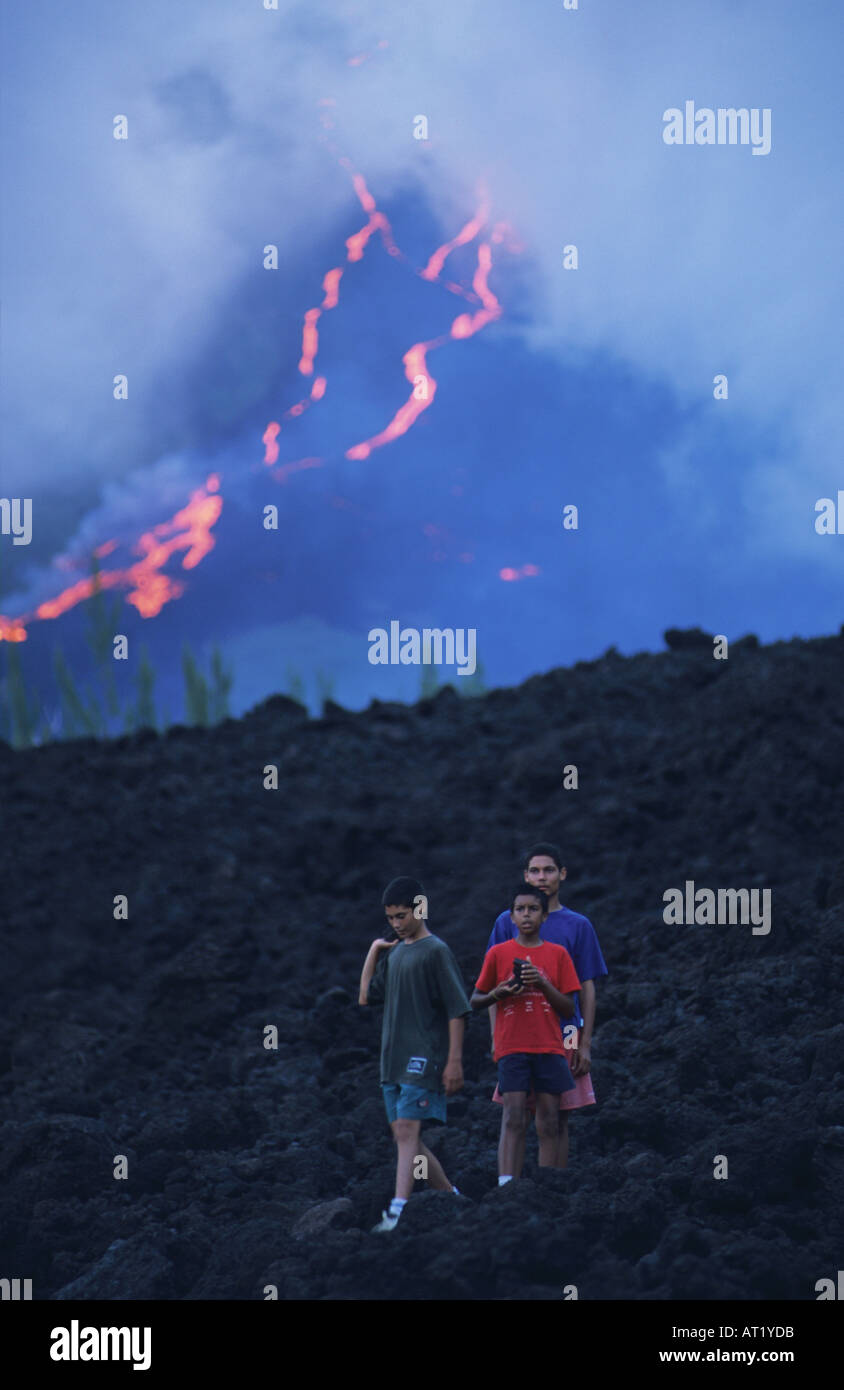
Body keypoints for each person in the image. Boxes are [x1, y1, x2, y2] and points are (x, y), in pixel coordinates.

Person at [359, 876, 471, 1232]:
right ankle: (453, 1199)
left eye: (402, 916)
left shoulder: (436, 951)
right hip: (391, 1060)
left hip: (423, 1056)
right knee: (408, 1138)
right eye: (391, 918)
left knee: (407, 1129)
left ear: (420, 908)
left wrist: (454, 1061)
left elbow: (458, 1009)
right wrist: (374, 952)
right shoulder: (396, 955)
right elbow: (365, 997)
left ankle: (398, 1210)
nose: (396, 924)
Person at [487, 842, 608, 1168]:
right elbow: (492, 985)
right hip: (518, 1030)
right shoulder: (506, 922)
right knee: (514, 1115)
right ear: (525, 875)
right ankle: (508, 1191)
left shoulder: (578, 926)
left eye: (549, 870)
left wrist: (585, 1044)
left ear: (562, 875)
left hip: (564, 1031)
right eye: (535, 871)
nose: (542, 877)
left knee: (557, 1117)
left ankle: (552, 1189)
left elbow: (587, 987)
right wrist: (496, 1037)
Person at [472, 885, 580, 1182]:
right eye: (520, 909)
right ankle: (507, 1184)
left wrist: (543, 984)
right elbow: (475, 1000)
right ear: (511, 916)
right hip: (512, 1046)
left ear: (545, 916)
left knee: (548, 1120)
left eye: (533, 909)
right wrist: (499, 992)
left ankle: (550, 1185)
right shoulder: (498, 953)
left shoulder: (558, 955)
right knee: (514, 1116)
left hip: (549, 1046)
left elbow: (569, 1008)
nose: (526, 915)